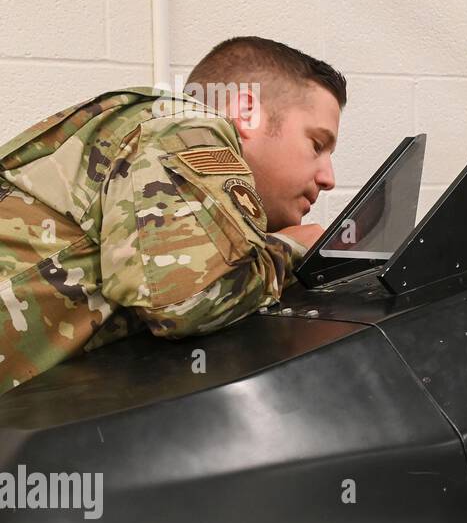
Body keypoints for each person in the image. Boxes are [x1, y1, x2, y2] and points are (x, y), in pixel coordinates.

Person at [0, 36, 343, 395]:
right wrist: (291, 248)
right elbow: (183, 301)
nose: (328, 178)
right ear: (246, 111)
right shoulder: (185, 126)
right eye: (317, 144)